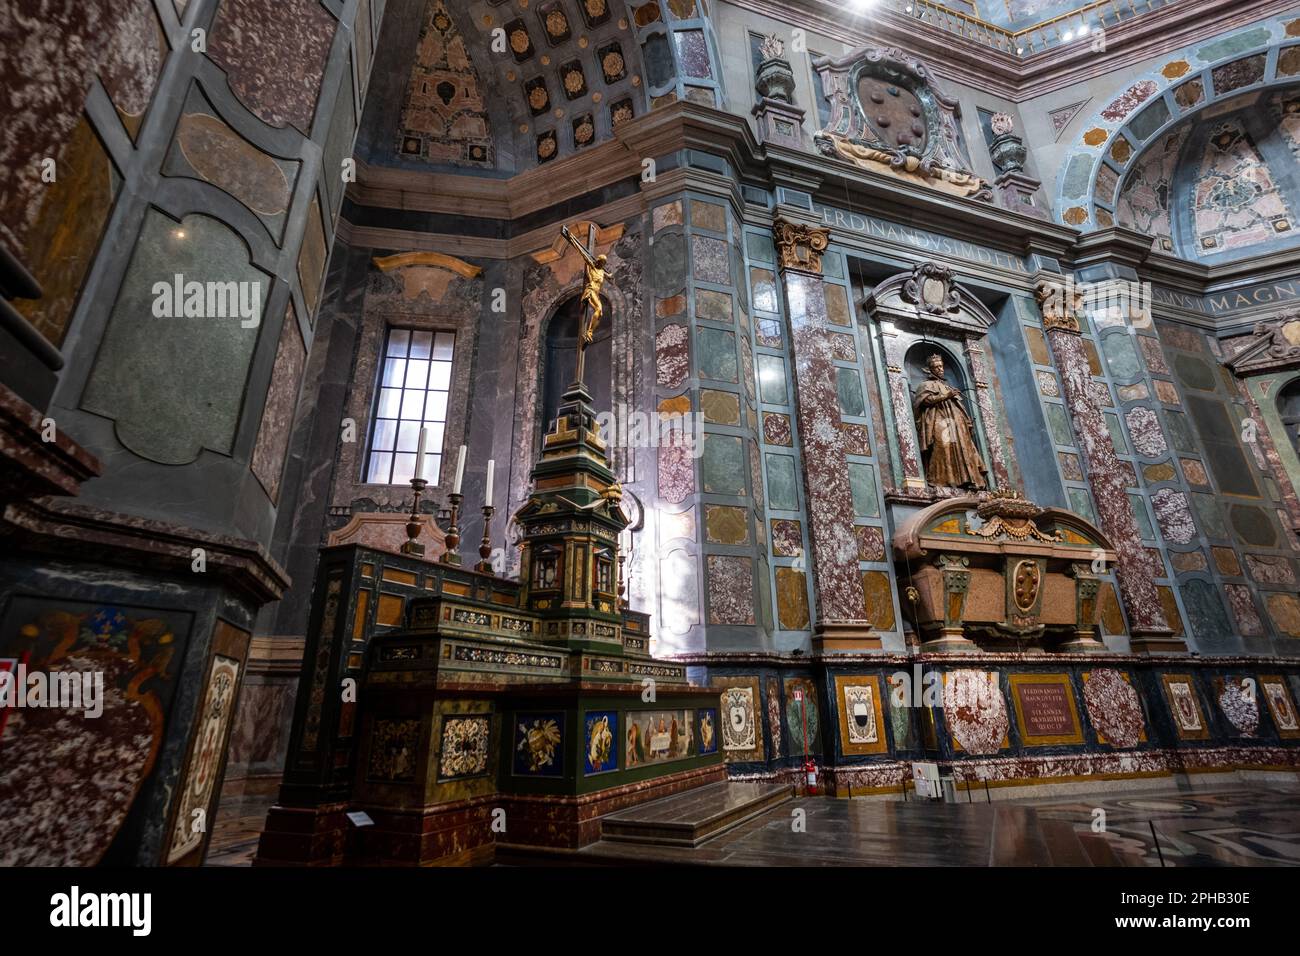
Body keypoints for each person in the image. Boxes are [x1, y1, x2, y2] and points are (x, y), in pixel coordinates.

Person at [912, 353, 988, 489]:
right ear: (930, 369)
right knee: (943, 447)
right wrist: (946, 396)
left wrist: (966, 419)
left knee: (963, 448)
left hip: (957, 423)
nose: (940, 369)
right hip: (940, 421)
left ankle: (967, 480)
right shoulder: (926, 385)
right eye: (936, 367)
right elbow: (925, 401)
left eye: (941, 366)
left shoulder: (948, 386)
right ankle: (941, 480)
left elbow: (958, 406)